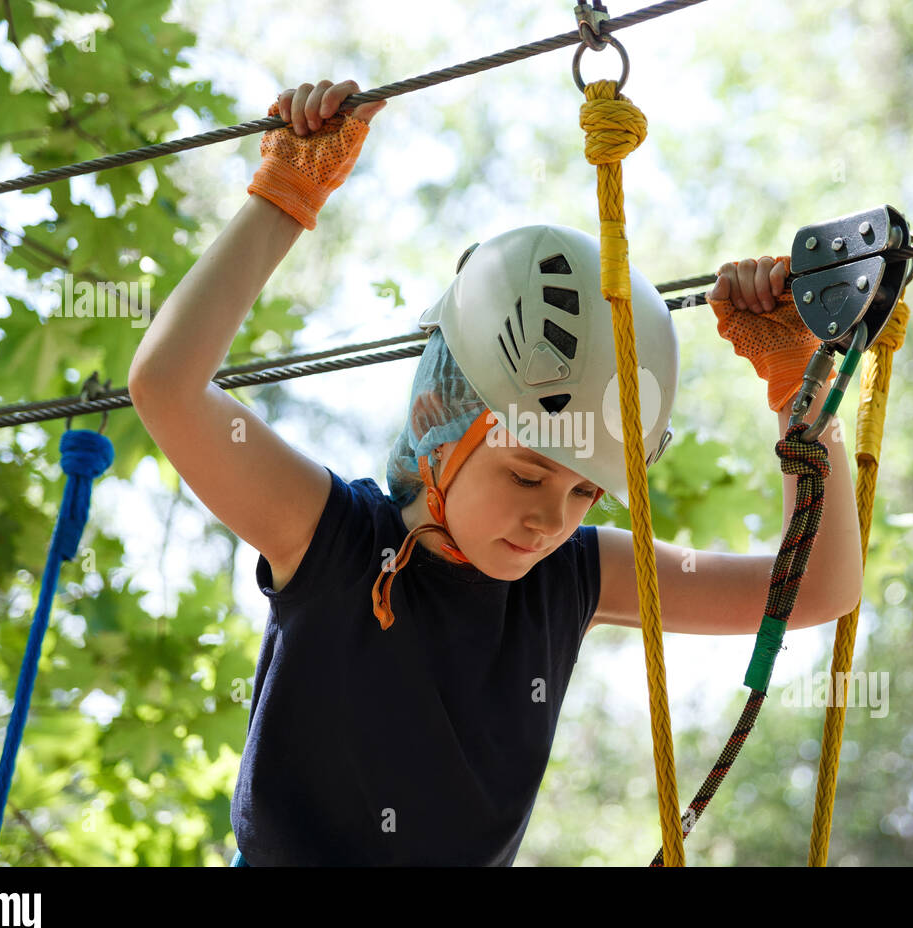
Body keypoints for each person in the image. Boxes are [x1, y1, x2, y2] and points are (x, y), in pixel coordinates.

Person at [128, 80, 863, 867]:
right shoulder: (329, 537)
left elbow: (816, 587)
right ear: (441, 427)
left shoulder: (575, 577)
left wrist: (798, 386)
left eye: (586, 492)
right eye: (525, 476)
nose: (553, 520)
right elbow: (167, 385)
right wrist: (288, 190)